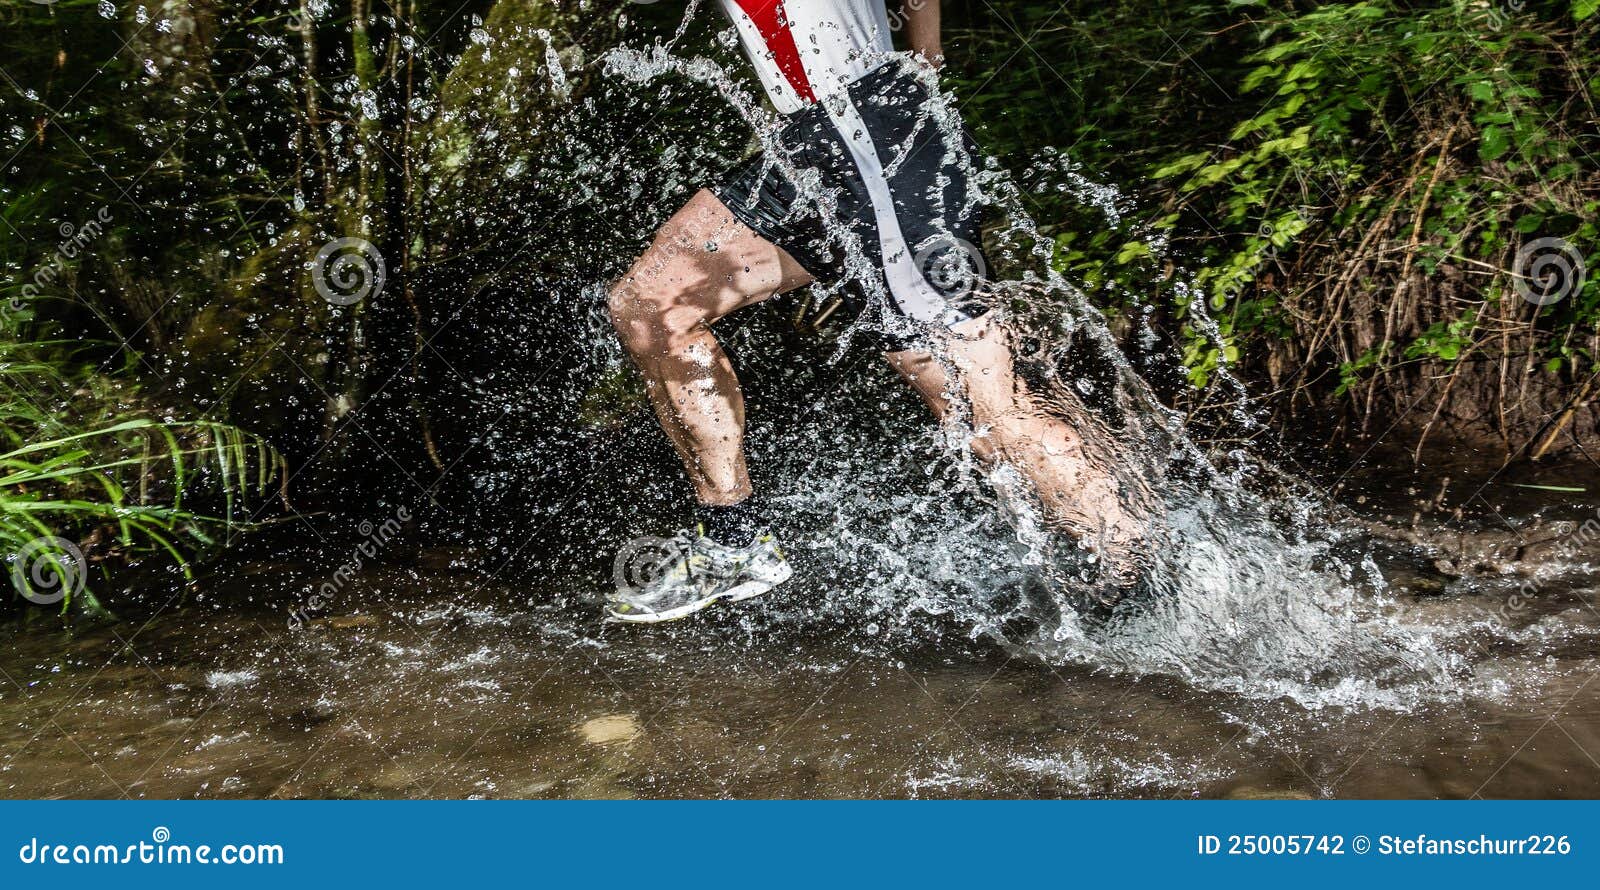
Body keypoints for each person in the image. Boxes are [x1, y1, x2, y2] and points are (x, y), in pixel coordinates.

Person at [605, 0, 1145, 623]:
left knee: (980, 408)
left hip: (875, 132)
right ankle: (733, 542)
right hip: (815, 143)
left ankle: (1143, 575)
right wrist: (924, 64)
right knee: (651, 306)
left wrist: (916, 78)